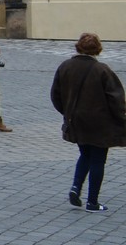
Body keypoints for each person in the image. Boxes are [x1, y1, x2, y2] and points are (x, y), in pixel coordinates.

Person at [51, 33, 125, 212]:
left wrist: (68, 112)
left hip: (76, 121)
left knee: (85, 154)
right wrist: (122, 118)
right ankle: (92, 202)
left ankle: (75, 188)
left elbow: (55, 95)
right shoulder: (102, 70)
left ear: (78, 47)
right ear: (97, 49)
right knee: (98, 160)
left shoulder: (65, 67)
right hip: (100, 123)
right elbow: (116, 99)